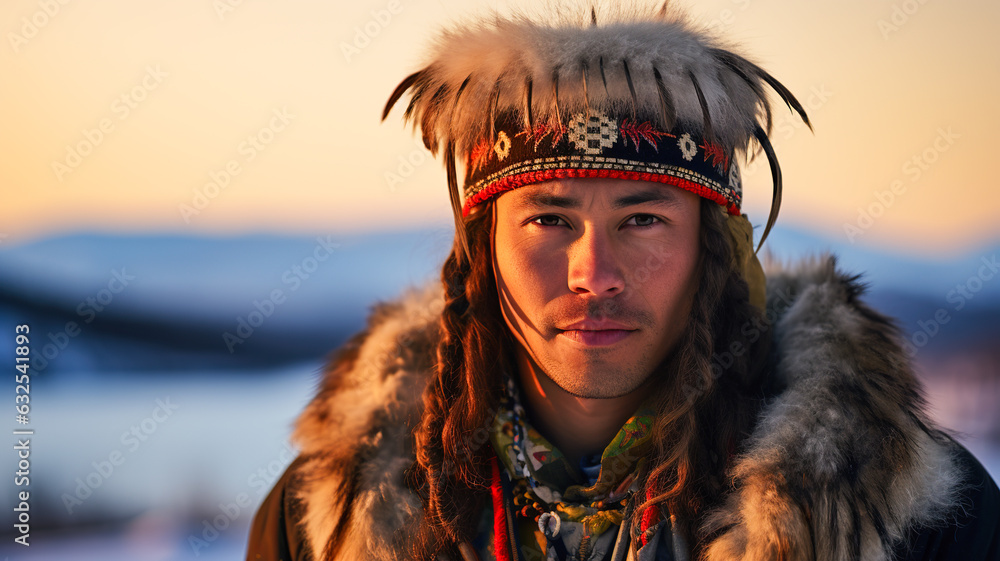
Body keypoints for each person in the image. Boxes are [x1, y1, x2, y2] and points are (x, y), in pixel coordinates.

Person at [246, 5, 999, 560]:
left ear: (713, 247)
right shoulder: (322, 521)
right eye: (548, 220)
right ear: (483, 251)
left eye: (643, 221)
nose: (595, 275)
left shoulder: (911, 520)